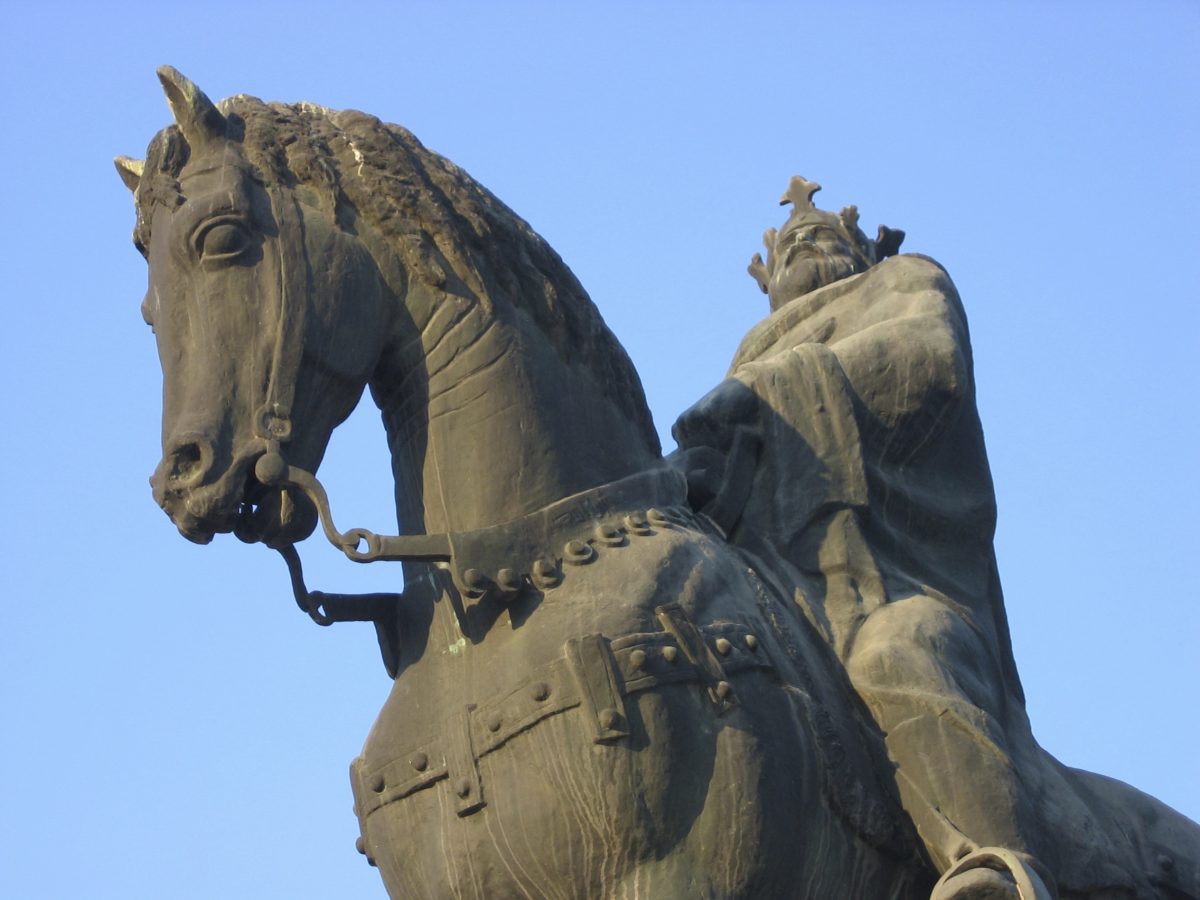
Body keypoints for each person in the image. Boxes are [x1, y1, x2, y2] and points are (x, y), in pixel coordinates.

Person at [673, 177, 1199, 899]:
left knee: (902, 649)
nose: (806, 244)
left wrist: (769, 394)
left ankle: (993, 864)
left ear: (860, 248)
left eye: (823, 236)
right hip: (786, 594)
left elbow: (926, 364)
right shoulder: (750, 357)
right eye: (792, 244)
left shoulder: (903, 283)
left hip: (900, 581)